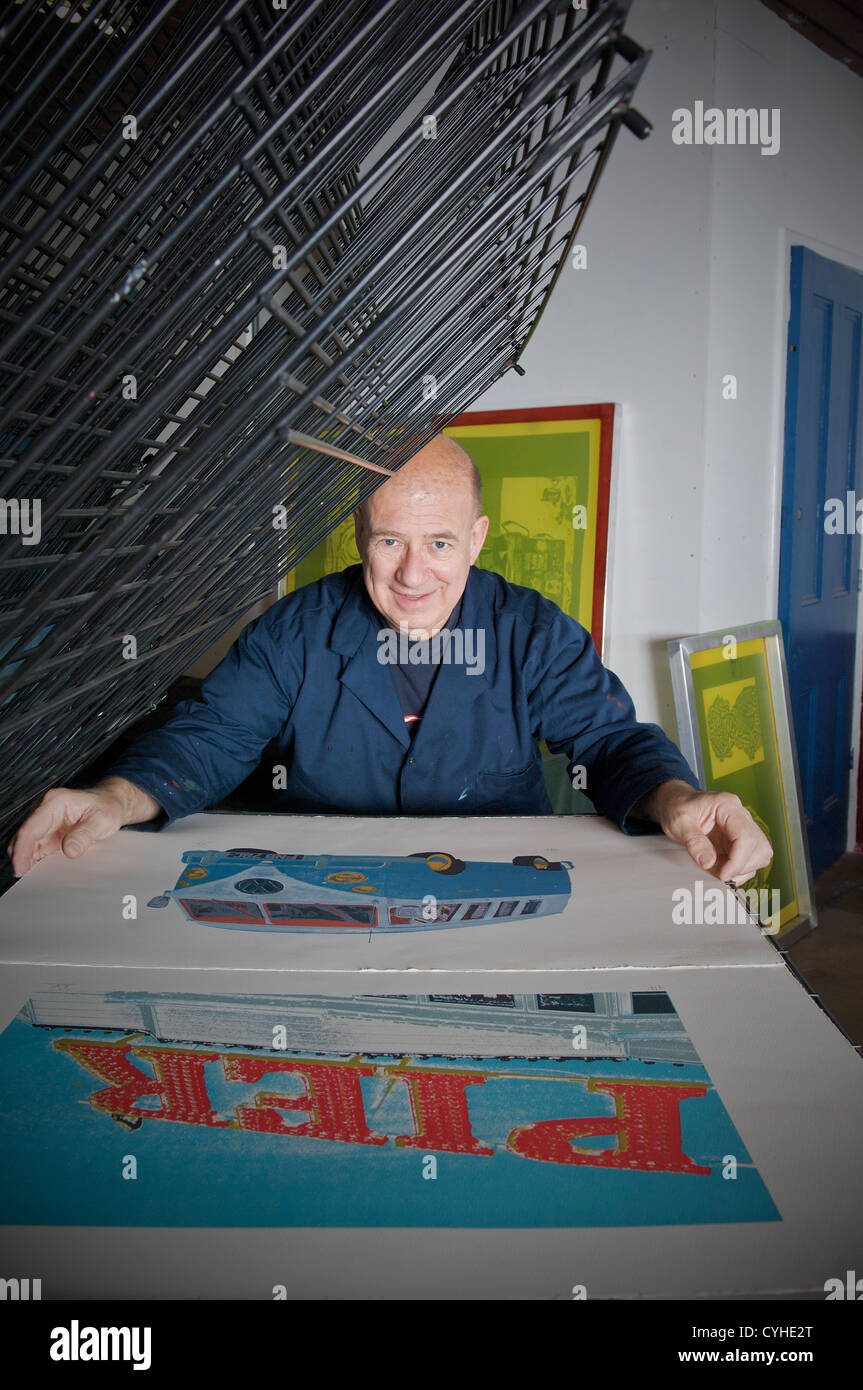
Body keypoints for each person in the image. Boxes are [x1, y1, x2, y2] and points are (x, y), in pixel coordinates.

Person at [8, 435, 772, 885]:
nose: (413, 574)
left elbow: (608, 744)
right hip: (322, 893)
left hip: (492, 896)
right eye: (388, 541)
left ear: (475, 539)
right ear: (358, 535)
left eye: (439, 542)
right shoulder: (295, 629)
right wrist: (115, 798)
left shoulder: (532, 631)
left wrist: (676, 798)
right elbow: (211, 736)